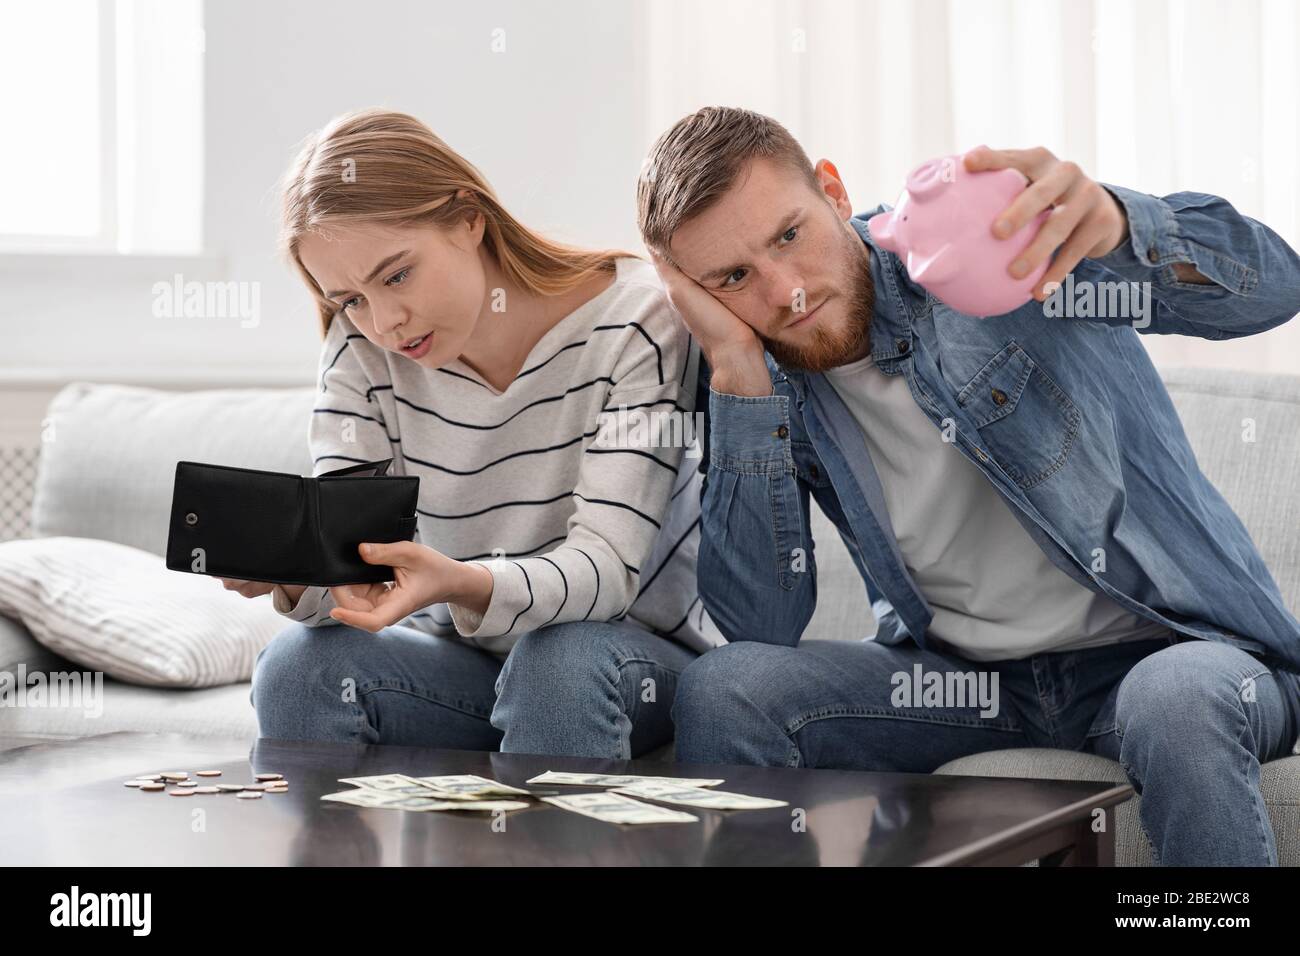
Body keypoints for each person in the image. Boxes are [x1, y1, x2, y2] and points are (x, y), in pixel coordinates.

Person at [638, 105, 1300, 865]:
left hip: (1163, 655)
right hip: (967, 691)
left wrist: (1118, 222)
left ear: (833, 190)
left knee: (1178, 703)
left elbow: (1276, 286)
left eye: (789, 235)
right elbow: (760, 626)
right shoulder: (753, 373)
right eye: (734, 277)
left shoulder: (982, 246)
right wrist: (738, 377)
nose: (786, 291)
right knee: (727, 686)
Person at [237, 108, 719, 759]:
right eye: (349, 299)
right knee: (300, 665)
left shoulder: (636, 319)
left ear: (469, 218)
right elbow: (359, 570)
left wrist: (459, 581)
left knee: (558, 667)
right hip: (463, 663)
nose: (384, 322)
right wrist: (296, 573)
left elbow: (607, 573)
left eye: (397, 275)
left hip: (622, 658)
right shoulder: (361, 347)